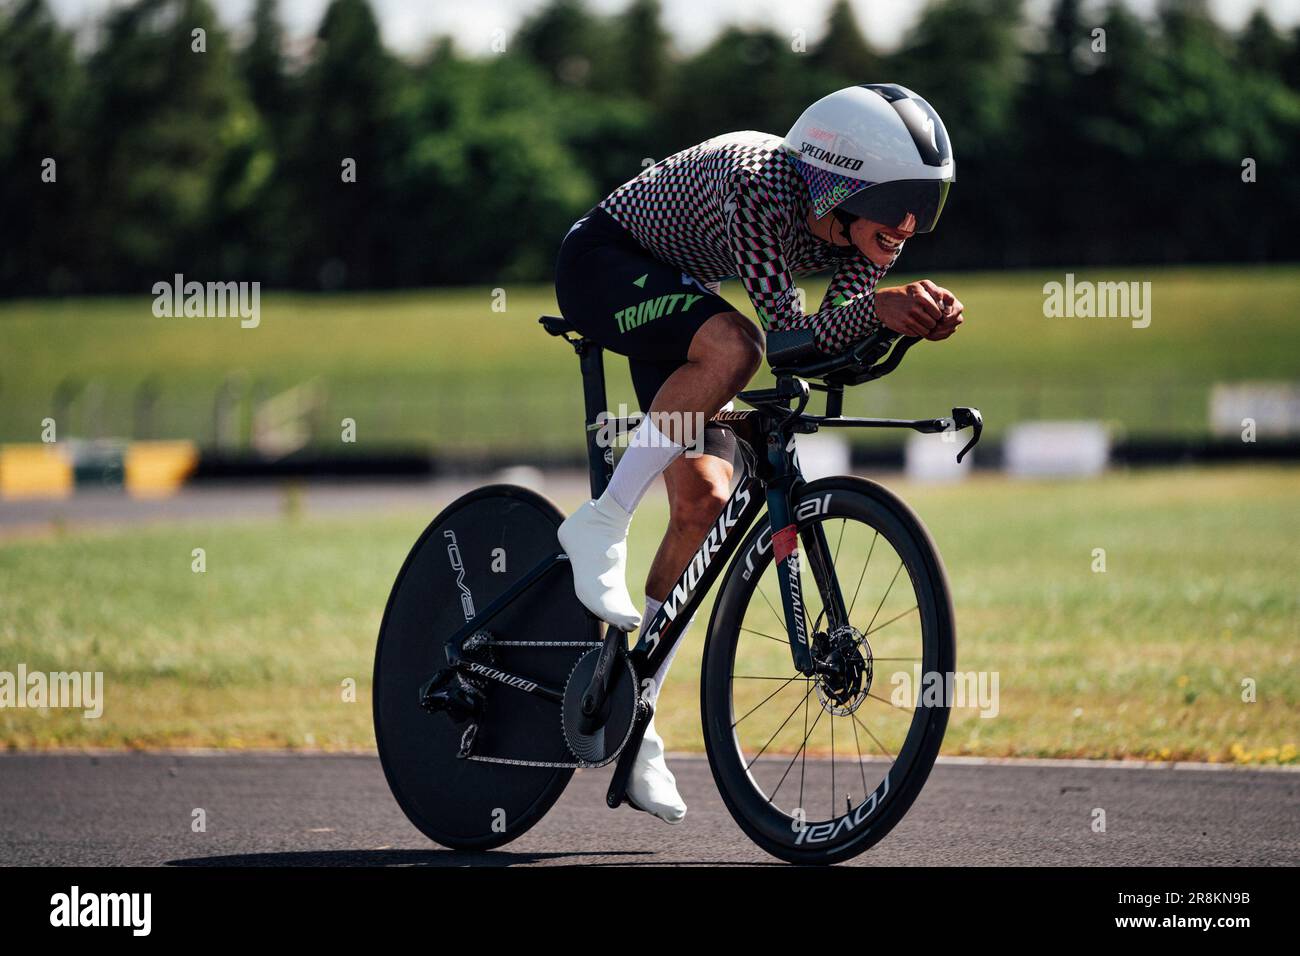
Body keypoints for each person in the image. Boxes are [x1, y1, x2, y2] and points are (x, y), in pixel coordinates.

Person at [552, 84, 964, 824]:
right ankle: (602, 520)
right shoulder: (761, 188)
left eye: (923, 206)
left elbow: (826, 348)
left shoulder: (861, 232)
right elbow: (783, 341)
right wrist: (874, 310)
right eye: (897, 200)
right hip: (605, 263)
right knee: (734, 344)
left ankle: (632, 710)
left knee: (706, 503)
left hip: (680, 293)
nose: (907, 225)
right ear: (840, 182)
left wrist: (903, 322)